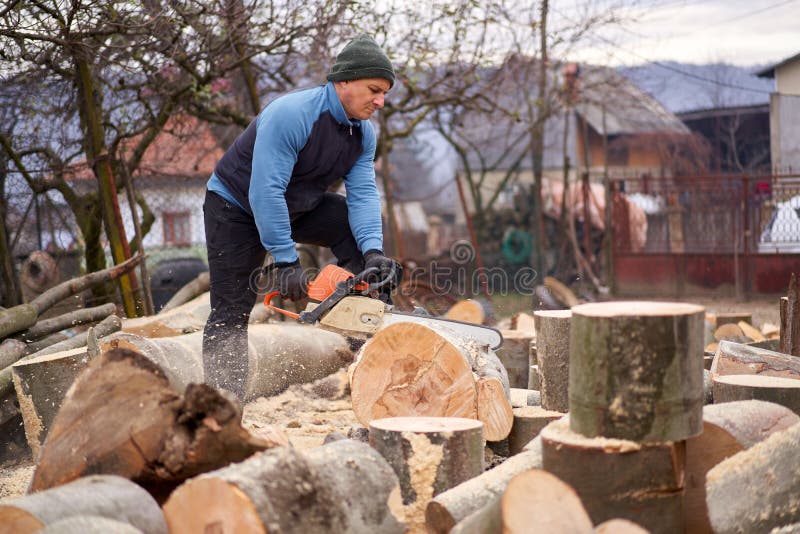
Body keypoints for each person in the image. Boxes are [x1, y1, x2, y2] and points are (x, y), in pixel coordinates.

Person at [202, 34, 401, 399]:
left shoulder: (362, 135)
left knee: (352, 233)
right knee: (231, 309)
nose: (380, 101)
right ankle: (222, 406)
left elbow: (363, 195)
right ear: (343, 81)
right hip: (236, 208)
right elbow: (265, 192)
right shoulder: (292, 115)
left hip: (296, 204)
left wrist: (373, 253)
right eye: (374, 89)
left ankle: (367, 347)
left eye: (384, 92)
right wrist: (285, 260)